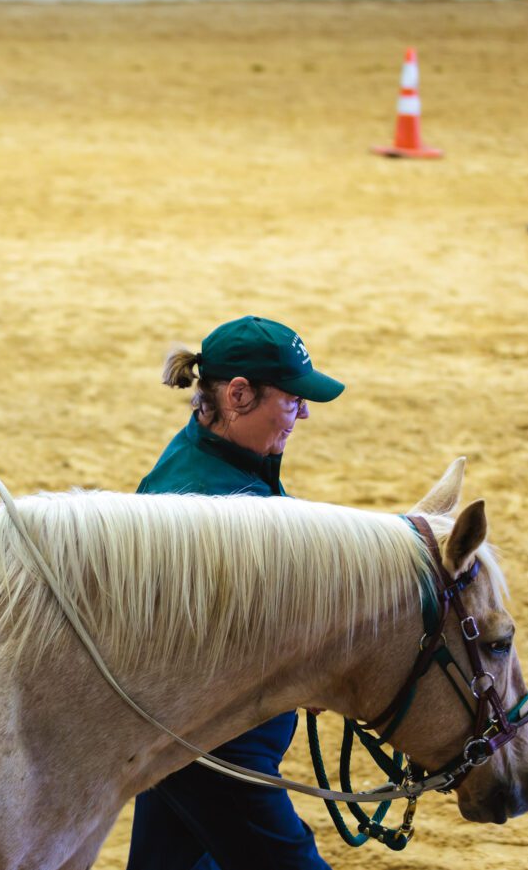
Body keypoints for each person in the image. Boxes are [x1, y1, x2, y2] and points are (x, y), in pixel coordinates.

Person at [126, 315, 345, 870]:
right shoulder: (204, 503)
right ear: (239, 395)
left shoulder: (227, 455)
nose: (303, 415)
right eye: (293, 400)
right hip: (214, 739)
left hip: (200, 728)